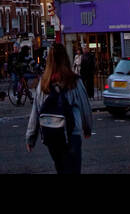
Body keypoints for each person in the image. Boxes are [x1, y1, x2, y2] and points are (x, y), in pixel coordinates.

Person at [25, 42, 92, 173]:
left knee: (60, 168)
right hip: (72, 132)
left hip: (51, 133)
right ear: (65, 58)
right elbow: (85, 106)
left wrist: (31, 137)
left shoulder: (43, 83)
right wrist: (87, 127)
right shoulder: (74, 81)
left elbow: (36, 110)